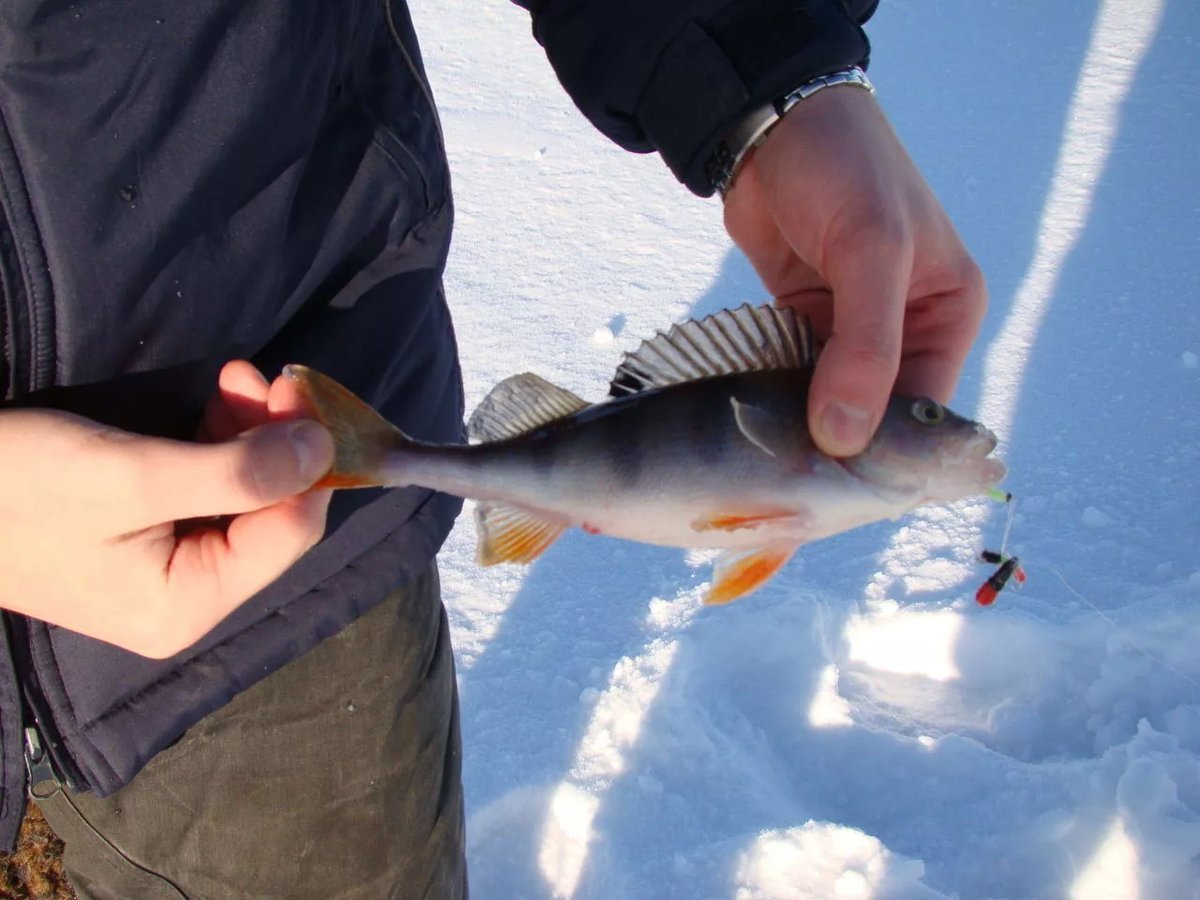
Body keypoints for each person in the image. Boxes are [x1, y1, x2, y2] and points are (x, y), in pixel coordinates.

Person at [0, 0, 984, 896]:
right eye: (935, 423)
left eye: (933, 422)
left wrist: (756, 57)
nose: (952, 431)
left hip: (289, 554)